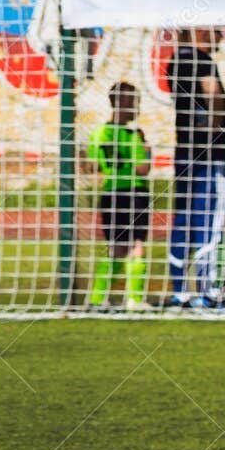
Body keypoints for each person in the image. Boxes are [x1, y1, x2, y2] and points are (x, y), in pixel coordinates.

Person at [165, 27, 225, 309]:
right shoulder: (202, 61)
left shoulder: (175, 60)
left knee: (184, 219)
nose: (222, 36)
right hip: (208, 154)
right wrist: (215, 124)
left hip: (185, 153)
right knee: (209, 221)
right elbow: (212, 94)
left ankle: (179, 289)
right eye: (216, 29)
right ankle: (207, 290)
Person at [87, 81, 151, 311]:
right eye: (135, 102)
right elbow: (143, 169)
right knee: (136, 246)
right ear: (122, 102)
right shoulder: (134, 135)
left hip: (110, 193)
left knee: (115, 246)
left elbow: (91, 166)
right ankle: (134, 299)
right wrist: (147, 149)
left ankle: (97, 298)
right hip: (134, 192)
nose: (137, 107)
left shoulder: (99, 134)